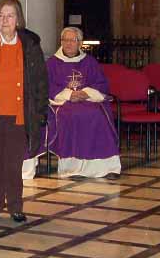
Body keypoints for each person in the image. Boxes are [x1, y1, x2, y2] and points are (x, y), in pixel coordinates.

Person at [0, 0, 48, 222]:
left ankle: (16, 206)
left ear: (18, 20)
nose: (5, 20)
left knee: (14, 165)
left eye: (10, 15)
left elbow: (40, 82)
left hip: (20, 114)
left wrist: (40, 111)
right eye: (1, 15)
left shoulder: (30, 45)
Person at [44, 26, 121, 178]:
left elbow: (101, 83)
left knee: (99, 114)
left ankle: (106, 167)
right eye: (65, 40)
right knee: (71, 116)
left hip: (88, 101)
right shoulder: (52, 63)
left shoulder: (89, 62)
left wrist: (86, 93)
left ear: (80, 43)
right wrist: (69, 94)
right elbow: (47, 86)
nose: (68, 43)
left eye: (73, 40)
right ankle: (72, 168)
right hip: (63, 104)